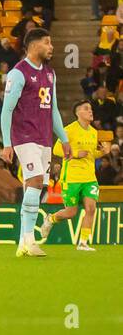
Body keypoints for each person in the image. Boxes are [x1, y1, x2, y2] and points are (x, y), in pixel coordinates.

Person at [0, 28, 71, 258]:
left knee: (34, 187)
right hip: (24, 137)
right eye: (47, 43)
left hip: (44, 139)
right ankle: (30, 240)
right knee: (36, 182)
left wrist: (64, 138)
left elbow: (54, 110)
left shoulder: (50, 74)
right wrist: (7, 143)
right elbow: (7, 110)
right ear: (33, 45)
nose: (51, 47)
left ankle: (22, 243)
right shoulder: (18, 73)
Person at [39, 100, 103, 252]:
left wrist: (102, 152)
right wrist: (74, 154)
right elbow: (56, 150)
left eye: (91, 109)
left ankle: (83, 243)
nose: (90, 111)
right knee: (71, 212)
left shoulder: (94, 132)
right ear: (78, 113)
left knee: (91, 208)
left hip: (89, 178)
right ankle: (51, 218)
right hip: (72, 178)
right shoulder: (68, 130)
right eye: (86, 109)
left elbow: (92, 154)